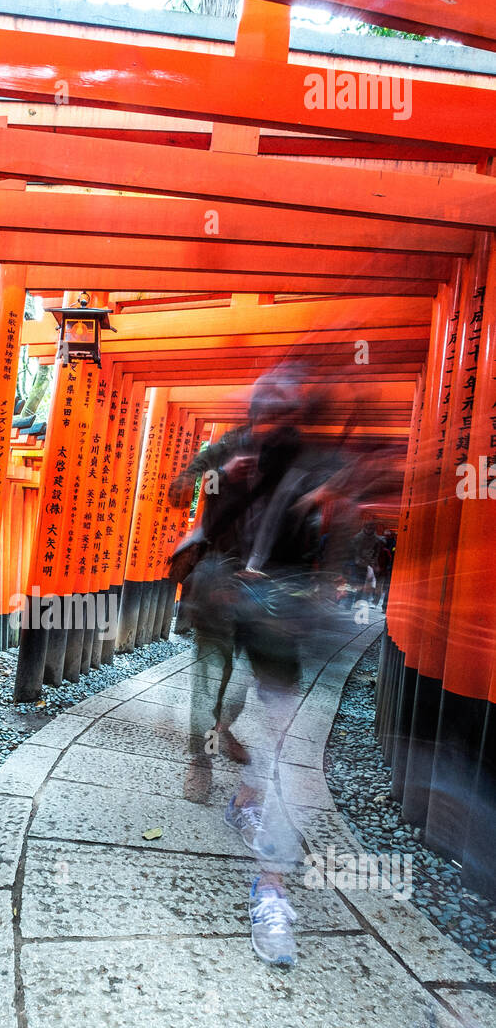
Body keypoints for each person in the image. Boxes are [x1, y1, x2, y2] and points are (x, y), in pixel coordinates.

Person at [168, 363, 332, 968]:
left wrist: (319, 511)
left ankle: (257, 823)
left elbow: (320, 542)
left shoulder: (313, 462)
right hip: (220, 592)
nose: (280, 422)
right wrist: (220, 483)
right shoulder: (227, 451)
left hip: (280, 607)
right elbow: (181, 492)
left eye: (293, 412)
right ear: (257, 413)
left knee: (276, 725)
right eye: (272, 411)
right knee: (211, 688)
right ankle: (198, 759)